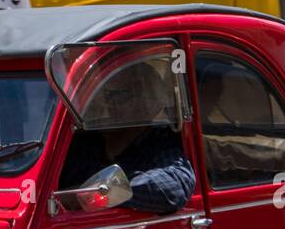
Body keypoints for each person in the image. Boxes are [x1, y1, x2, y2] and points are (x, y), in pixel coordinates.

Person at [60, 60, 195, 213]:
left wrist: (95, 193)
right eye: (97, 96)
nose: (103, 105)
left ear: (147, 103)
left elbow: (173, 187)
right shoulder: (81, 146)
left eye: (116, 96)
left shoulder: (159, 144)